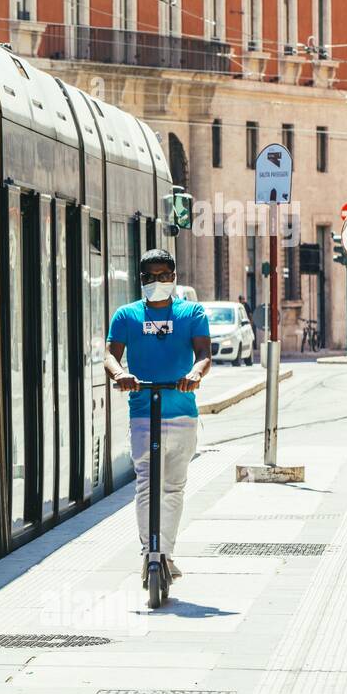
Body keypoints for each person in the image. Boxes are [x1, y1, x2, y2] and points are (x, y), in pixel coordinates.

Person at [104, 249, 212, 586]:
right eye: (149, 277)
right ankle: (148, 554)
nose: (157, 282)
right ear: (141, 280)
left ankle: (164, 552)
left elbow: (204, 354)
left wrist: (195, 374)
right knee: (146, 485)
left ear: (175, 276)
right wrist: (120, 375)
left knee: (173, 487)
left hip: (181, 413)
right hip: (142, 412)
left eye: (163, 275)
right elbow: (110, 354)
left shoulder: (192, 312)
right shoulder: (126, 316)